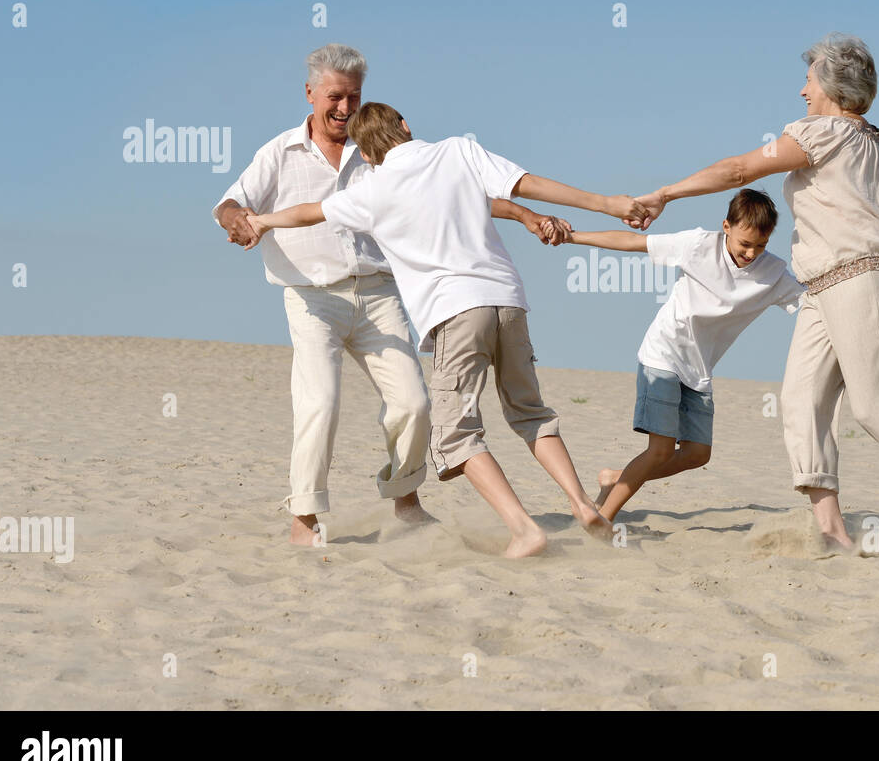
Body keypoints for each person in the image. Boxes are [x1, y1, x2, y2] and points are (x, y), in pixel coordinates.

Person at [244, 102, 646, 558]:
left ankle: (524, 530)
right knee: (530, 413)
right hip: (508, 300)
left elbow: (309, 213)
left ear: (366, 154)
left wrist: (262, 221)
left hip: (456, 312)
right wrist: (606, 203)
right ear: (404, 125)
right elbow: (526, 183)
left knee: (456, 434)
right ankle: (583, 504)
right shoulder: (458, 151)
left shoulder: (372, 190)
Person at [631, 34, 879, 551]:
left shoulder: (825, 132)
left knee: (875, 405)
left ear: (833, 87)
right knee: (801, 400)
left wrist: (665, 193)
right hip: (823, 287)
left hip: (860, 279)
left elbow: (739, 170)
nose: (802, 91)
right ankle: (830, 528)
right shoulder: (868, 139)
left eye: (810, 80)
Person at [213, 44, 567, 546]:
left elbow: (454, 193)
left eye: (354, 97)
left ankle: (405, 500)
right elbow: (231, 202)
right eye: (335, 97)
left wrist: (525, 214)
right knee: (320, 402)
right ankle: (305, 519)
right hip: (312, 299)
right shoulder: (279, 152)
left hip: (379, 294)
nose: (344, 108)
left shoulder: (375, 150)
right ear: (310, 93)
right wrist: (237, 220)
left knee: (414, 404)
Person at [564, 189, 804, 521]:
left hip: (699, 369)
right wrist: (572, 237)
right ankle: (604, 518)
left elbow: (812, 303)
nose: (751, 253)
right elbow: (633, 243)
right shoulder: (697, 245)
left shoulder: (773, 273)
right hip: (663, 354)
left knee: (697, 454)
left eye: (760, 246)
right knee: (660, 450)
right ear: (726, 226)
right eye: (745, 244)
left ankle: (616, 478)